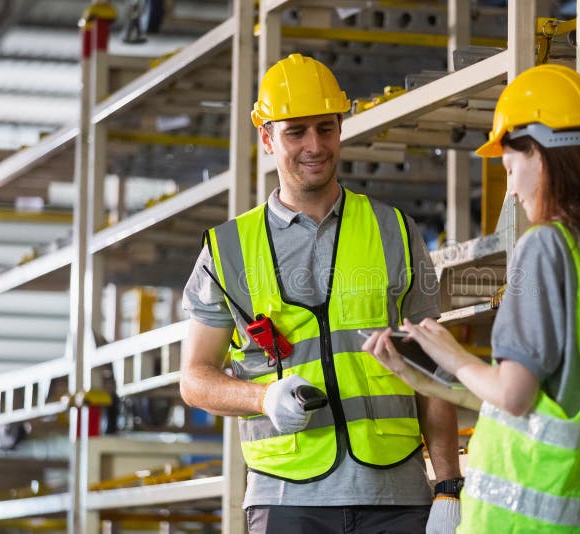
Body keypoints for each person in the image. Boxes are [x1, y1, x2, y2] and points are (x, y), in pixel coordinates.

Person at [363, 64, 580, 533]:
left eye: (510, 167)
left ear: (542, 156)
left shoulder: (547, 245)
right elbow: (553, 398)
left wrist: (453, 353)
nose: (511, 189)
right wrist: (421, 376)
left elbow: (514, 395)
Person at [179, 53, 462, 534]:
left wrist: (448, 487)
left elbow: (431, 367)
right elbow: (194, 379)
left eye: (326, 128)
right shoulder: (227, 249)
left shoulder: (394, 230)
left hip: (396, 497)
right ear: (267, 138)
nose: (315, 145)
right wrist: (263, 398)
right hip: (286, 497)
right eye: (296, 132)